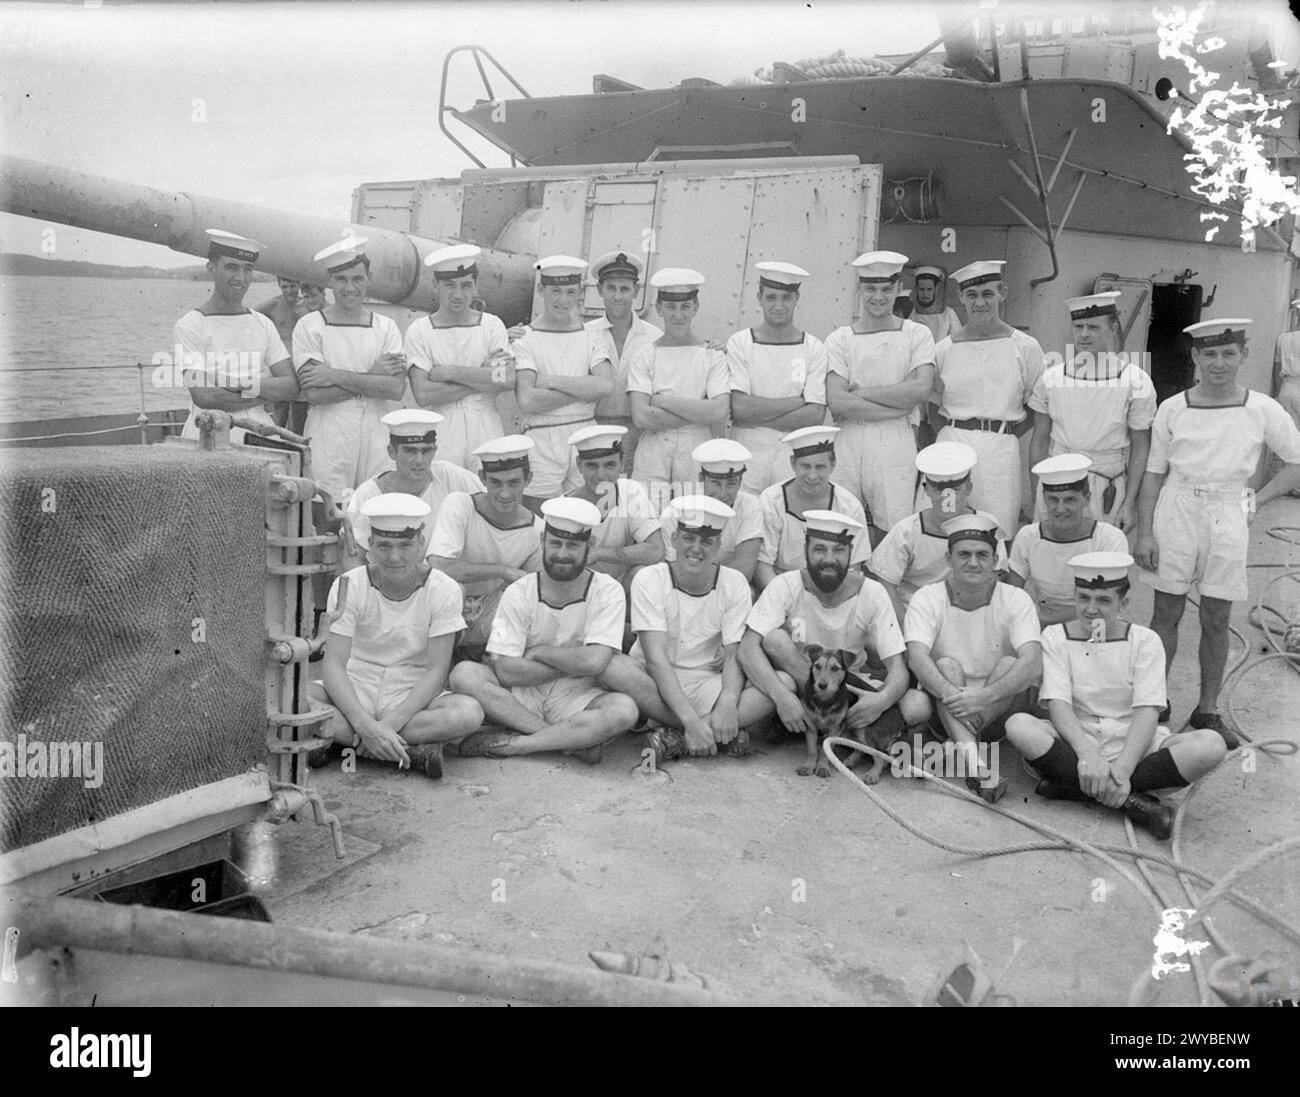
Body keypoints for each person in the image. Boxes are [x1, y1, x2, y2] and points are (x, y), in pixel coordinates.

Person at [1134, 319, 1300, 743]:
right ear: (1195, 357)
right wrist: (1146, 533)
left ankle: (1207, 709)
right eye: (1209, 353)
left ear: (1243, 355)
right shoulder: (1173, 408)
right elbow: (1153, 474)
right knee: (1165, 611)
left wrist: (1257, 499)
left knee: (1216, 615)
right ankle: (1155, 700)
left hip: (1228, 510)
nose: (1219, 363)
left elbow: (1295, 461)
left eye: (1229, 353)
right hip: (1177, 506)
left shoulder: (1263, 408)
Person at [1004, 552, 1227, 839]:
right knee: (1019, 726)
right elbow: (1058, 703)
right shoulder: (1056, 636)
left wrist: (1123, 767)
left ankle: (1071, 787)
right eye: (1083, 598)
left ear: (1124, 603)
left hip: (1134, 740)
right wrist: (1086, 755)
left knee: (1211, 746)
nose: (1091, 609)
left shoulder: (1145, 641)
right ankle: (1133, 803)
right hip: (1077, 739)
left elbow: (1148, 710)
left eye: (1103, 600)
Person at [308, 494, 486, 779]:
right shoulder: (349, 585)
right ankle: (410, 753)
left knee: (468, 713)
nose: (394, 557)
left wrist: (384, 726)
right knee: (296, 701)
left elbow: (437, 671)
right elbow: (334, 664)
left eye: (405, 545)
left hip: (409, 691)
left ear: (420, 544)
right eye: (384, 546)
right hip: (356, 685)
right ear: (371, 547)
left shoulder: (444, 588)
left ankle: (346, 743)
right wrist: (365, 724)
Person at [740, 510, 931, 775]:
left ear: (850, 554)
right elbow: (748, 647)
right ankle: (824, 736)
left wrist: (882, 700)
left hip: (847, 689)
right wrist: (783, 698)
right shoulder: (786, 584)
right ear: (805, 549)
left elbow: (898, 667)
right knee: (774, 640)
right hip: (801, 692)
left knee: (916, 705)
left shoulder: (871, 593)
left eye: (838, 550)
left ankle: (848, 737)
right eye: (820, 549)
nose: (829, 559)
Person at [449, 498, 640, 762]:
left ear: (590, 545)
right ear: (543, 541)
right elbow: (504, 668)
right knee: (465, 674)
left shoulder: (608, 591)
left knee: (624, 710)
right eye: (555, 543)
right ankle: (566, 740)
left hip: (578, 694)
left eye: (573, 545)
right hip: (521, 696)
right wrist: (579, 661)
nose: (562, 553)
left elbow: (596, 662)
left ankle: (520, 745)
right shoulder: (517, 591)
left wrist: (540, 652)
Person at [612, 496, 775, 762]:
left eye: (707, 541)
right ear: (674, 539)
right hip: (653, 682)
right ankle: (712, 732)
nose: (696, 549)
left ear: (718, 546)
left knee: (780, 685)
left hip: (705, 681)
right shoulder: (650, 578)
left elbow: (734, 653)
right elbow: (655, 659)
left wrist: (728, 700)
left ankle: (676, 740)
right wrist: (691, 721)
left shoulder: (734, 582)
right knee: (614, 667)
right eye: (689, 538)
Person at [904, 513, 1042, 802]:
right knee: (945, 666)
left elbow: (1032, 662)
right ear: (948, 559)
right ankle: (978, 767)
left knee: (1009, 664)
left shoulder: (1016, 599)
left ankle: (957, 748)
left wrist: (982, 698)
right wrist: (954, 696)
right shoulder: (927, 597)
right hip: (946, 704)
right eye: (963, 554)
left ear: (995, 561)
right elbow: (917, 658)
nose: (973, 562)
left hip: (998, 709)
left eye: (982, 555)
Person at [929, 260, 1045, 540]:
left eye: (988, 294)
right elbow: (932, 406)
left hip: (1001, 451)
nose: (979, 302)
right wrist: (951, 436)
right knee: (946, 523)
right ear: (960, 298)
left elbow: (1037, 406)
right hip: (952, 446)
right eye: (971, 295)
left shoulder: (1025, 346)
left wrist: (1005, 435)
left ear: (1002, 292)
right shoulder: (943, 349)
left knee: (997, 529)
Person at [825, 251, 936, 540]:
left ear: (898, 289)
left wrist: (861, 393)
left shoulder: (917, 335)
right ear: (859, 289)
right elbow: (837, 401)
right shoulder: (840, 338)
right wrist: (896, 405)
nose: (878, 297)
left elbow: (920, 389)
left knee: (894, 525)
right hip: (848, 437)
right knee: (840, 524)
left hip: (895, 440)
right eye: (871, 288)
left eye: (887, 289)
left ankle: (884, 584)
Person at [1028, 292, 1156, 529]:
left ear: (1113, 328)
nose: (1084, 334)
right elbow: (1039, 438)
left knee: (1101, 555)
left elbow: (1141, 446)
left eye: (1094, 327)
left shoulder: (1134, 380)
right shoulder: (1052, 377)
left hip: (1106, 479)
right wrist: (1036, 488)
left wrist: (1130, 503)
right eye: (1078, 326)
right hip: (1057, 476)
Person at [294, 236, 407, 501]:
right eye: (342, 279)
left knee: (376, 509)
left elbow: (395, 388)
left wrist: (333, 375)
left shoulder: (385, 326)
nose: (350, 287)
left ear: (369, 278)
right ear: (329, 281)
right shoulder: (310, 326)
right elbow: (315, 395)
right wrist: (373, 376)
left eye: (357, 279)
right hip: (328, 431)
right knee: (328, 508)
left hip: (376, 430)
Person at [176, 229, 300, 446]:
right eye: (231, 267)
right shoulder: (190, 325)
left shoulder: (262, 323)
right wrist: (267, 393)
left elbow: (290, 386)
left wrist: (231, 383)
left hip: (261, 432)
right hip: (209, 430)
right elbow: (204, 396)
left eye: (247, 269)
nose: (240, 278)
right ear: (211, 268)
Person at [426, 436, 544, 657]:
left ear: (528, 479)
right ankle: (439, 664)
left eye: (514, 483)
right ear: (482, 478)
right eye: (495, 482)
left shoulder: (537, 529)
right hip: (445, 606)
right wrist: (502, 570)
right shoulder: (460, 504)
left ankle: (488, 660)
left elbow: (535, 589)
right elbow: (439, 566)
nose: (505, 493)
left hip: (490, 608)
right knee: (451, 590)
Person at [512, 255, 614, 509]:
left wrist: (549, 381)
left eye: (570, 292)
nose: (563, 300)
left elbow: (605, 386)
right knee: (538, 514)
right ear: (541, 289)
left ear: (579, 293)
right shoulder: (525, 338)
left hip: (586, 433)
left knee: (588, 515)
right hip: (542, 435)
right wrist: (583, 389)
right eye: (555, 291)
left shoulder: (592, 336)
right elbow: (528, 399)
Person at [405, 244, 515, 473]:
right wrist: (482, 376)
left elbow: (505, 380)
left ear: (475, 287)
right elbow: (423, 394)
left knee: (486, 494)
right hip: (442, 426)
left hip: (486, 423)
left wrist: (449, 372)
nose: (458, 294)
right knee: (443, 495)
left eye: (466, 285)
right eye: (449, 285)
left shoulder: (491, 324)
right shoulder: (420, 330)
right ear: (435, 285)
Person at [871, 441, 1007, 620]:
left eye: (955, 490)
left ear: (969, 488)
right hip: (915, 614)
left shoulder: (987, 524)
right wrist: (907, 629)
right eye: (938, 490)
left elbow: (994, 578)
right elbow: (885, 582)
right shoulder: (907, 530)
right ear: (926, 489)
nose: (946, 498)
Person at [726, 261, 829, 494]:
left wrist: (755, 417)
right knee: (745, 517)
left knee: (786, 518)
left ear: (796, 299)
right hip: (746, 449)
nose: (778, 305)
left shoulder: (813, 347)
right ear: (759, 297)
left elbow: (814, 415)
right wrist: (796, 402)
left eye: (786, 298)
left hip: (792, 452)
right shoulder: (741, 343)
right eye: (771, 297)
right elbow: (740, 408)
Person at [627, 268, 731, 489]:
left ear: (695, 308)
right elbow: (642, 417)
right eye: (670, 307)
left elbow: (719, 412)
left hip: (696, 449)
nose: (678, 315)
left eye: (685, 306)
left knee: (691, 518)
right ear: (659, 309)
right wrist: (700, 412)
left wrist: (663, 401)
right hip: (653, 448)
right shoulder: (645, 355)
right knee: (647, 517)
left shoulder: (712, 355)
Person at [1005, 454, 1130, 627]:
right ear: (1044, 499)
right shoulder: (1028, 536)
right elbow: (1012, 594)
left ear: (1086, 498)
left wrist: (1054, 618)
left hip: (1095, 624)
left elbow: (1107, 603)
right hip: (1042, 621)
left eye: (1070, 499)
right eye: (1053, 500)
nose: (1060, 509)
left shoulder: (1109, 538)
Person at [345, 409, 481, 556]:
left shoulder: (449, 476)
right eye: (410, 451)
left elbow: (491, 499)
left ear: (434, 451)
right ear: (392, 452)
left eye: (426, 451)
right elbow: (352, 557)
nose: (419, 460)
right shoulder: (368, 494)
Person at [754, 425, 870, 590]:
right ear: (793, 463)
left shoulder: (849, 506)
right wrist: (785, 601)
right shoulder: (771, 501)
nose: (812, 475)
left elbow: (853, 569)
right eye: (805, 466)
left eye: (820, 467)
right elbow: (762, 565)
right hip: (780, 589)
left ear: (833, 465)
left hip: (832, 593)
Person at [586, 250, 663, 474]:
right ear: (600, 289)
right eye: (611, 288)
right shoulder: (585, 334)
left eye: (624, 289)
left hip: (638, 436)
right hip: (594, 433)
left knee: (631, 502)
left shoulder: (654, 337)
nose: (618, 296)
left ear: (636, 291)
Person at [563, 424, 664, 588]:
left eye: (609, 465)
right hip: (580, 591)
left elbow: (656, 551)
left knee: (642, 574)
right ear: (579, 465)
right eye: (592, 466)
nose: (601, 475)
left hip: (622, 585)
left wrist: (599, 553)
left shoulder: (630, 490)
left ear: (622, 464)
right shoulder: (564, 507)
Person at [659, 439, 765, 583]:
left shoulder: (750, 506)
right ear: (701, 479)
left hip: (727, 588)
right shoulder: (676, 511)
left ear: (740, 482)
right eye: (716, 483)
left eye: (731, 484)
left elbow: (744, 570)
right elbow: (674, 571)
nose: (722, 493)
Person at [255, 276, 311, 434]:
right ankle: (276, 447)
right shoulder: (271, 305)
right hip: (280, 369)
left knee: (300, 418)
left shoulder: (308, 305)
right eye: (284, 286)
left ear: (299, 284)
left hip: (301, 369)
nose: (289, 291)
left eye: (292, 286)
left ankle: (298, 451)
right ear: (279, 285)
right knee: (279, 416)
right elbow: (246, 318)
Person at [909, 265, 961, 344]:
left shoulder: (949, 314)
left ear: (935, 290)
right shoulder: (912, 315)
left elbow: (958, 344)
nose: (925, 294)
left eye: (929, 289)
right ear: (916, 289)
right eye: (921, 289)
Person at [1274, 297, 1300, 437]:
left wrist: (1277, 395)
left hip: (1287, 389)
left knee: (1291, 437)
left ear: (1296, 314)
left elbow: (1276, 370)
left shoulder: (1283, 338)